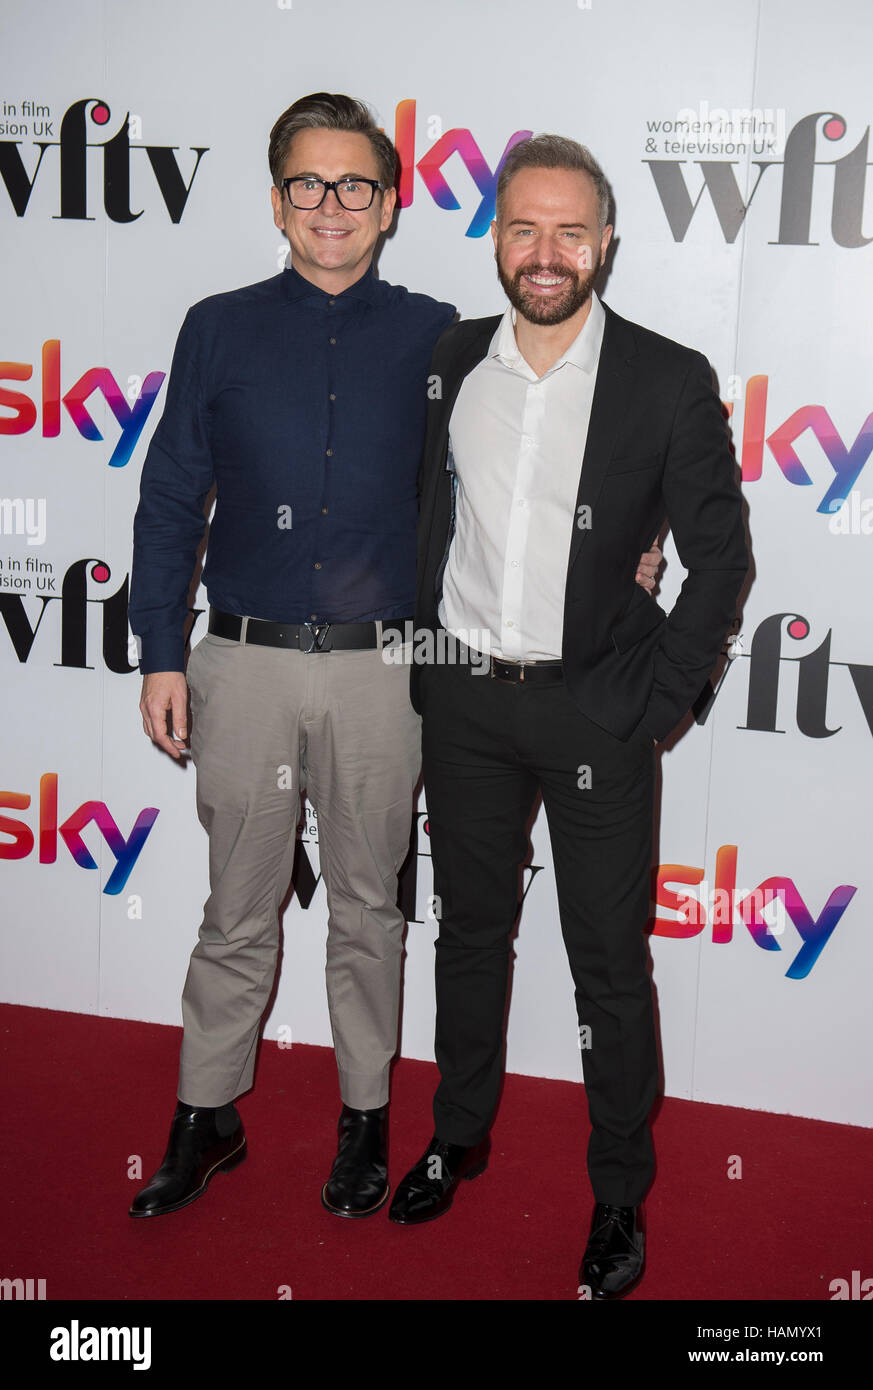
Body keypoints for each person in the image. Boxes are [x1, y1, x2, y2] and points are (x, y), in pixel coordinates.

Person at [127, 97, 662, 1224]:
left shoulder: (444, 338)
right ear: (276, 200)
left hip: (387, 672)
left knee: (372, 907)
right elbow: (173, 491)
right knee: (236, 909)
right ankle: (204, 1113)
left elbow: (545, 444)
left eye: (355, 186)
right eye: (308, 186)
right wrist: (161, 652)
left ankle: (366, 1119)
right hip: (243, 663)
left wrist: (635, 534)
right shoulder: (215, 326)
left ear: (392, 202)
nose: (332, 208)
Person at [388, 134, 748, 1300]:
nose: (545, 254)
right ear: (496, 236)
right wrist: (420, 661)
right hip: (466, 705)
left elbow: (721, 560)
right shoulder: (449, 360)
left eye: (570, 231)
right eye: (523, 228)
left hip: (598, 711)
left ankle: (618, 1192)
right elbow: (424, 524)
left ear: (605, 245)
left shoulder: (665, 375)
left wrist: (660, 699)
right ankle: (459, 1131)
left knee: (607, 963)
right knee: (469, 934)